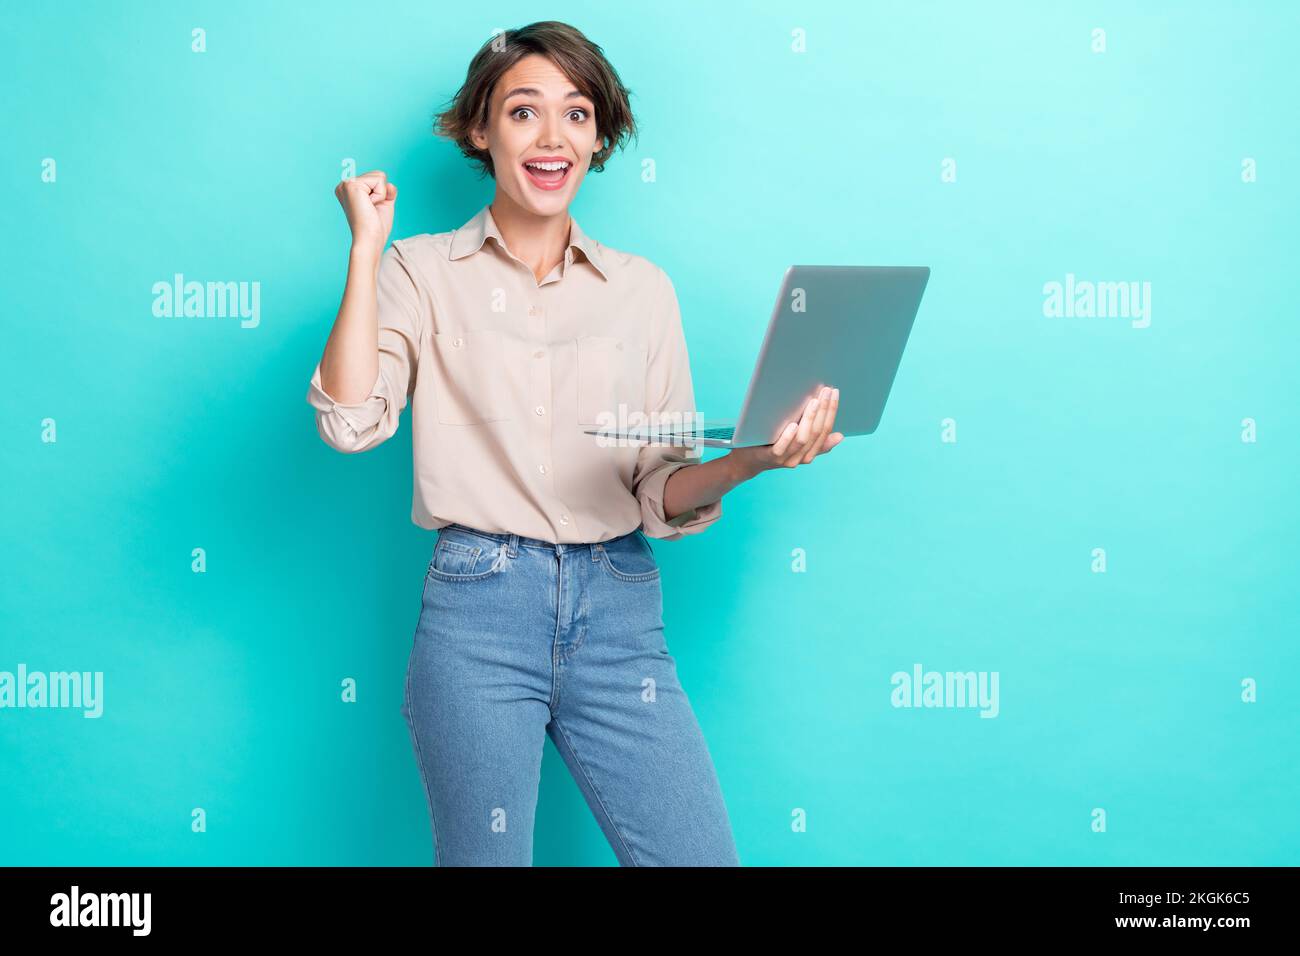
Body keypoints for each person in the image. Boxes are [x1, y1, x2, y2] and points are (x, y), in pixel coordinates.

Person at [306, 20, 842, 866]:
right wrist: (365, 255)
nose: (554, 138)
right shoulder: (419, 270)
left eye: (578, 113)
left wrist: (755, 460)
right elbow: (348, 421)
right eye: (525, 112)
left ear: (599, 137)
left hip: (621, 609)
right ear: (482, 130)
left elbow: (658, 490)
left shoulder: (643, 291)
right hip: (479, 612)